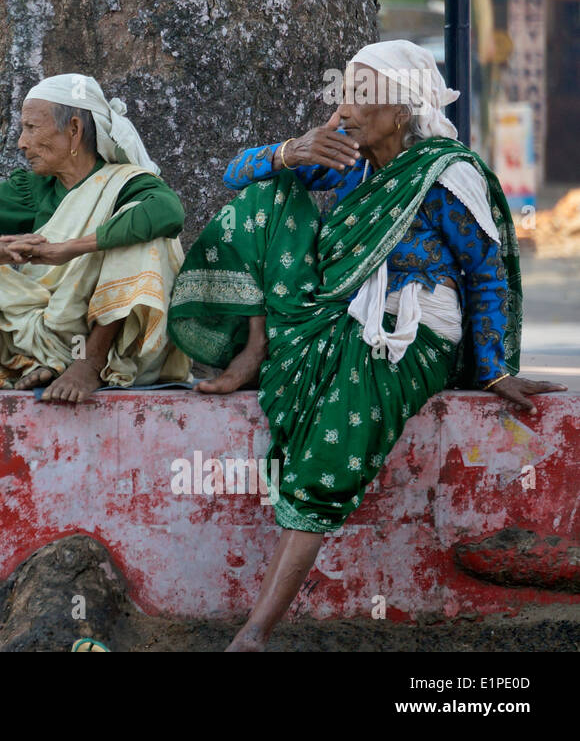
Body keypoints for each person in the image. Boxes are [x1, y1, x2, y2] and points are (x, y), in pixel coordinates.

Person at [166, 40, 565, 650]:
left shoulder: (444, 172)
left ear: (403, 109)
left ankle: (253, 633)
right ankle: (254, 347)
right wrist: (288, 151)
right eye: (343, 91)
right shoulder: (352, 163)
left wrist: (493, 370)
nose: (344, 105)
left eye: (361, 94)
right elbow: (235, 176)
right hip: (335, 317)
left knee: (329, 460)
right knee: (267, 193)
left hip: (408, 332)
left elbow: (488, 273)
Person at [0, 74, 191, 403]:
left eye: (31, 127)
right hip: (44, 335)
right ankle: (41, 362)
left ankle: (89, 363)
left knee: (146, 237)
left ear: (74, 129)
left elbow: (169, 214)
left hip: (115, 349)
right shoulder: (30, 190)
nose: (21, 143)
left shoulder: (127, 184)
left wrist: (68, 249)